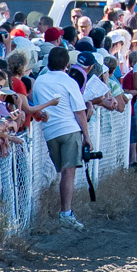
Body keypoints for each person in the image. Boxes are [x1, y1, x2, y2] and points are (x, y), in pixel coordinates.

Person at [30, 47, 92, 231]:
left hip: (50, 132)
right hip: (69, 129)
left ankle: (59, 210)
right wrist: (87, 136)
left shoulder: (40, 80)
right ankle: (66, 213)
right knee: (68, 172)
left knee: (61, 172)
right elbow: (79, 112)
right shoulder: (69, 81)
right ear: (67, 64)